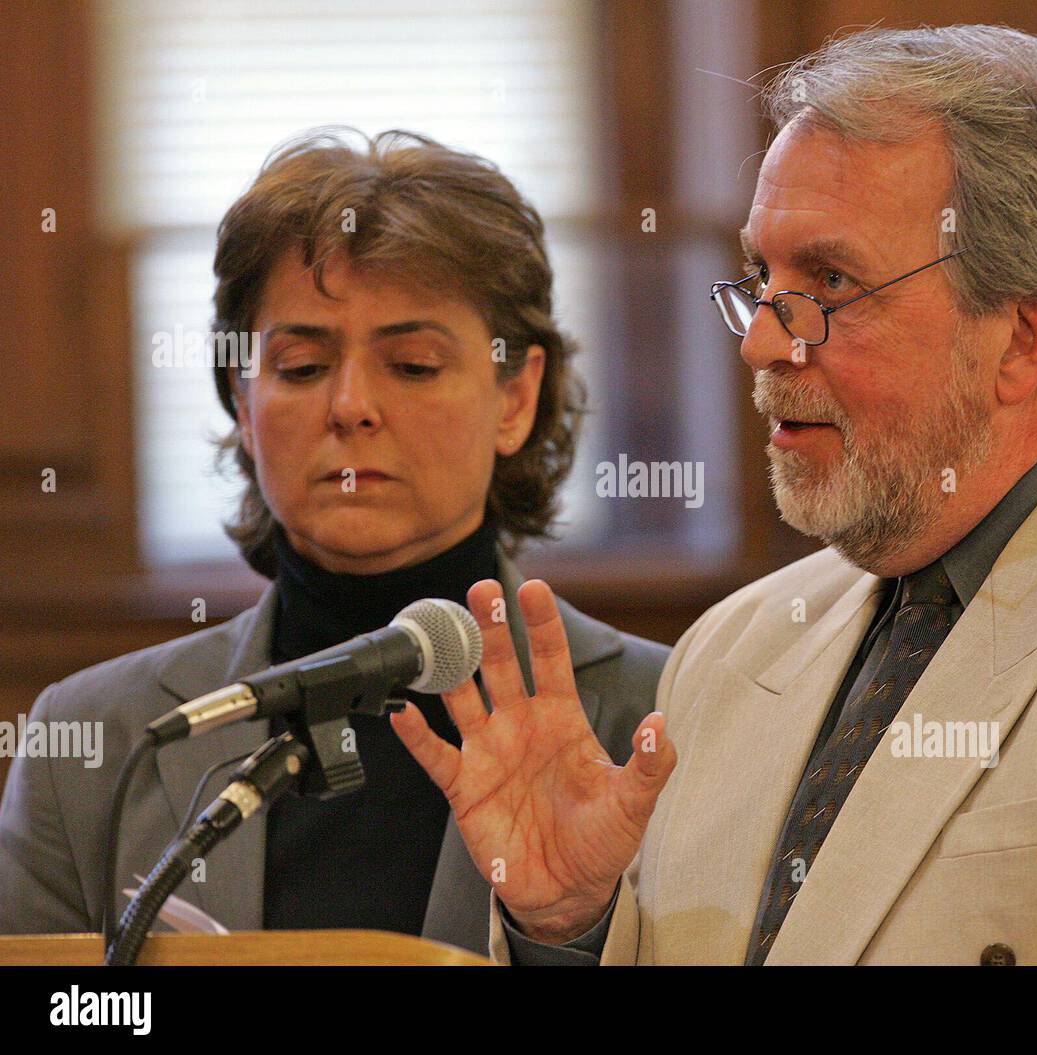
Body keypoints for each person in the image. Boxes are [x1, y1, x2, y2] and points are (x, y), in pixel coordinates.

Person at [392, 26, 1037, 965]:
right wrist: (569, 926)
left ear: (1032, 335)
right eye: (760, 281)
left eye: (830, 281)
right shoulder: (731, 650)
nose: (762, 345)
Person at [0, 129, 668, 957]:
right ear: (242, 403)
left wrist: (563, 929)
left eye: (414, 365)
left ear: (515, 398)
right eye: (303, 367)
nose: (351, 405)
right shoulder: (98, 738)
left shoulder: (670, 713)